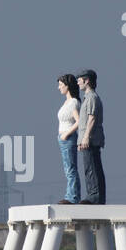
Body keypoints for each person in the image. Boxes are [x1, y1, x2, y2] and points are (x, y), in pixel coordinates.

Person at [77, 69, 106, 203]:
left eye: (80, 80)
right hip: (88, 139)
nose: (78, 83)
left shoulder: (92, 98)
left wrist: (86, 137)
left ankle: (94, 196)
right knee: (92, 167)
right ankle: (96, 196)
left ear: (87, 80)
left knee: (91, 168)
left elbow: (92, 118)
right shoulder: (88, 98)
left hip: (91, 140)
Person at [56, 74, 81, 203]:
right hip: (62, 138)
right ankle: (71, 194)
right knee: (67, 168)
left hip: (68, 138)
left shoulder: (73, 102)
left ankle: (72, 196)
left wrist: (66, 134)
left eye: (61, 85)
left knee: (70, 169)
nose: (59, 87)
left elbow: (79, 121)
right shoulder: (66, 102)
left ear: (68, 86)